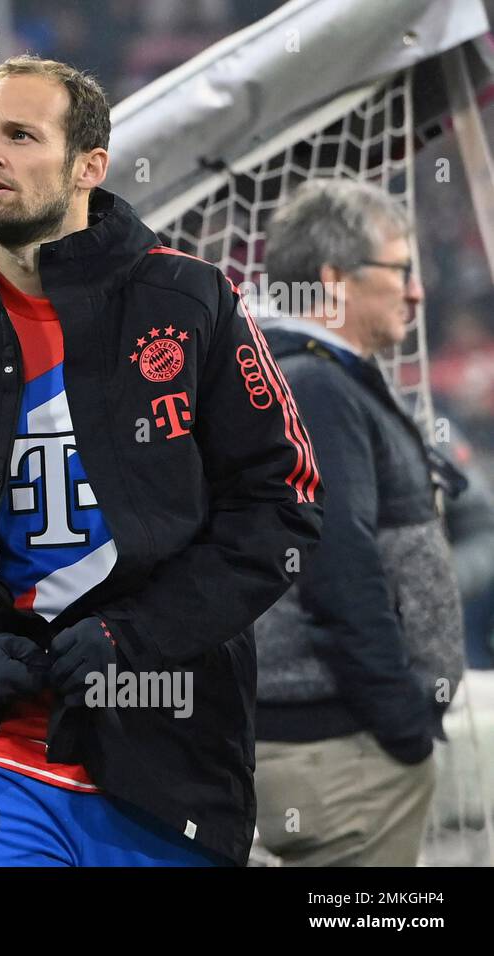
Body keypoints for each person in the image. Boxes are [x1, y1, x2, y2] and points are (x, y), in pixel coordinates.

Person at [0, 55, 323, 867]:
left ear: (90, 167)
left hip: (170, 753)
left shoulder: (191, 303)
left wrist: (134, 638)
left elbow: (282, 502)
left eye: (19, 134)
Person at [253, 179, 465, 866]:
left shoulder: (306, 375)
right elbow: (335, 566)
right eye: (401, 269)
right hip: (341, 752)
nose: (417, 291)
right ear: (334, 280)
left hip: (336, 744)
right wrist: (401, 724)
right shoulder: (313, 384)